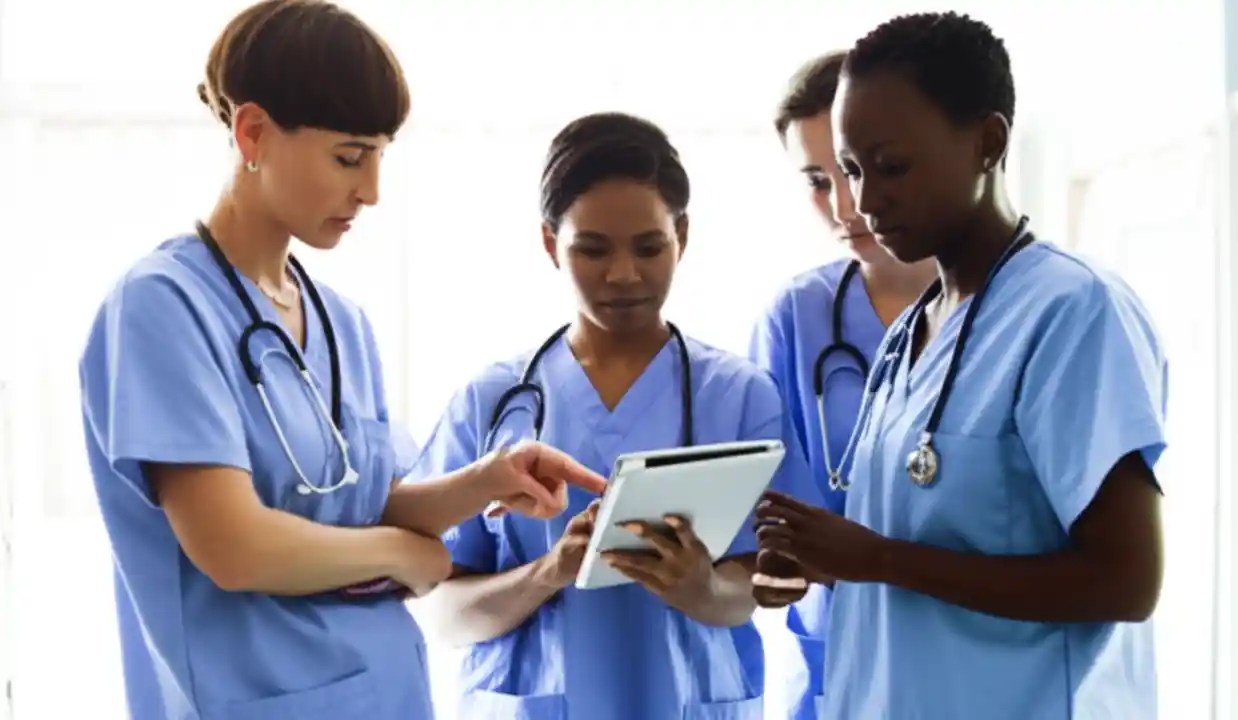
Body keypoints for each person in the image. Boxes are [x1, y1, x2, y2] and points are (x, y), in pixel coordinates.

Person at [77, 2, 606, 718]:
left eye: (381, 156)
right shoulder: (162, 308)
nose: (372, 190)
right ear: (253, 132)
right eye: (350, 157)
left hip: (384, 693)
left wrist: (484, 481)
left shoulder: (340, 323)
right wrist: (398, 554)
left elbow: (361, 501)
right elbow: (233, 545)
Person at [754, 12, 1168, 719]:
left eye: (891, 167)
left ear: (988, 141)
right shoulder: (911, 334)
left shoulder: (1071, 311)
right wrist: (823, 561)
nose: (864, 201)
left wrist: (877, 559)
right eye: (849, 171)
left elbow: (1126, 581)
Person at [412, 112, 814, 720]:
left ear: (682, 235)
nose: (623, 274)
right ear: (550, 243)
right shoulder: (492, 400)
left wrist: (699, 587)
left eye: (649, 247)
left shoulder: (740, 396)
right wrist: (548, 572)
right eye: (592, 249)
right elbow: (442, 612)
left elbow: (760, 585)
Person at [748, 50, 936, 720]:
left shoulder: (1018, 312)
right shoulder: (797, 317)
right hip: (838, 661)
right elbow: (779, 508)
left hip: (971, 650)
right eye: (817, 180)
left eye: (857, 169)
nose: (845, 204)